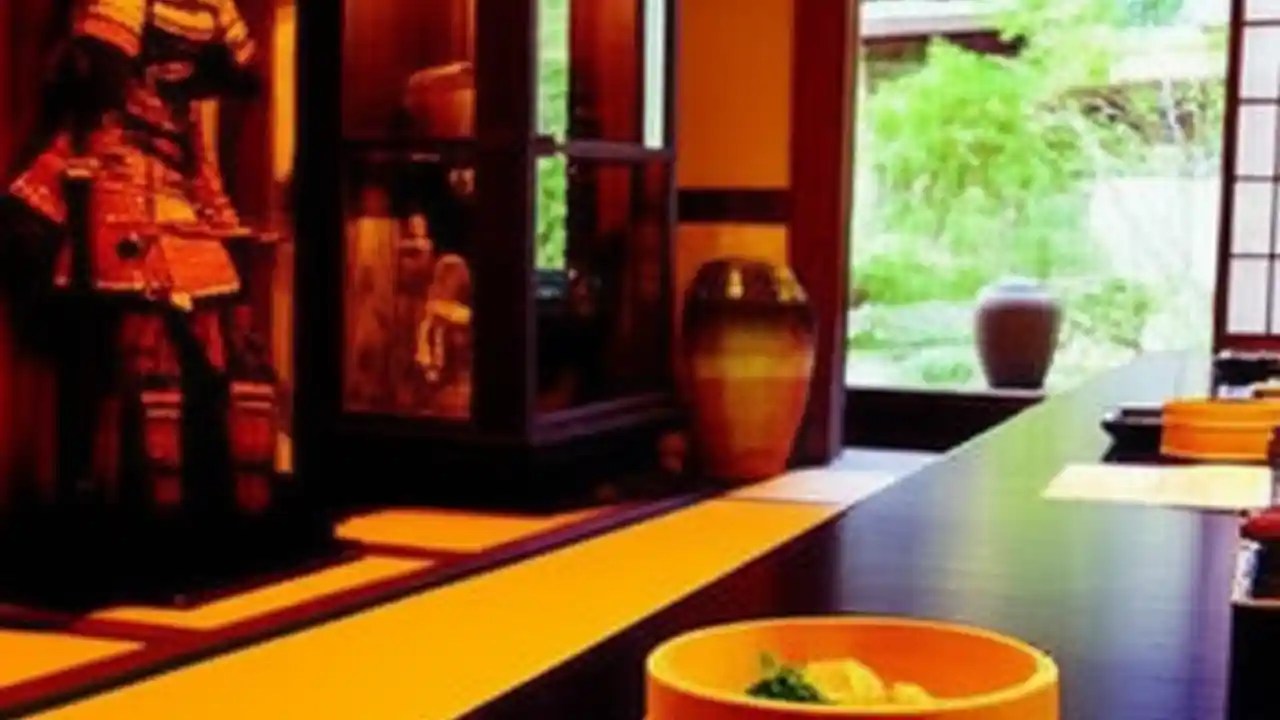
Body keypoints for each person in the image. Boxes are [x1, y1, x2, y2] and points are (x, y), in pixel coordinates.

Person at [0, 0, 278, 519]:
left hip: (181, 189)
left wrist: (220, 213)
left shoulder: (203, 49)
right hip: (115, 188)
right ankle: (145, 500)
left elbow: (232, 87)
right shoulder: (118, 36)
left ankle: (230, 499)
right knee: (144, 355)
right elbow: (89, 96)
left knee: (237, 348)